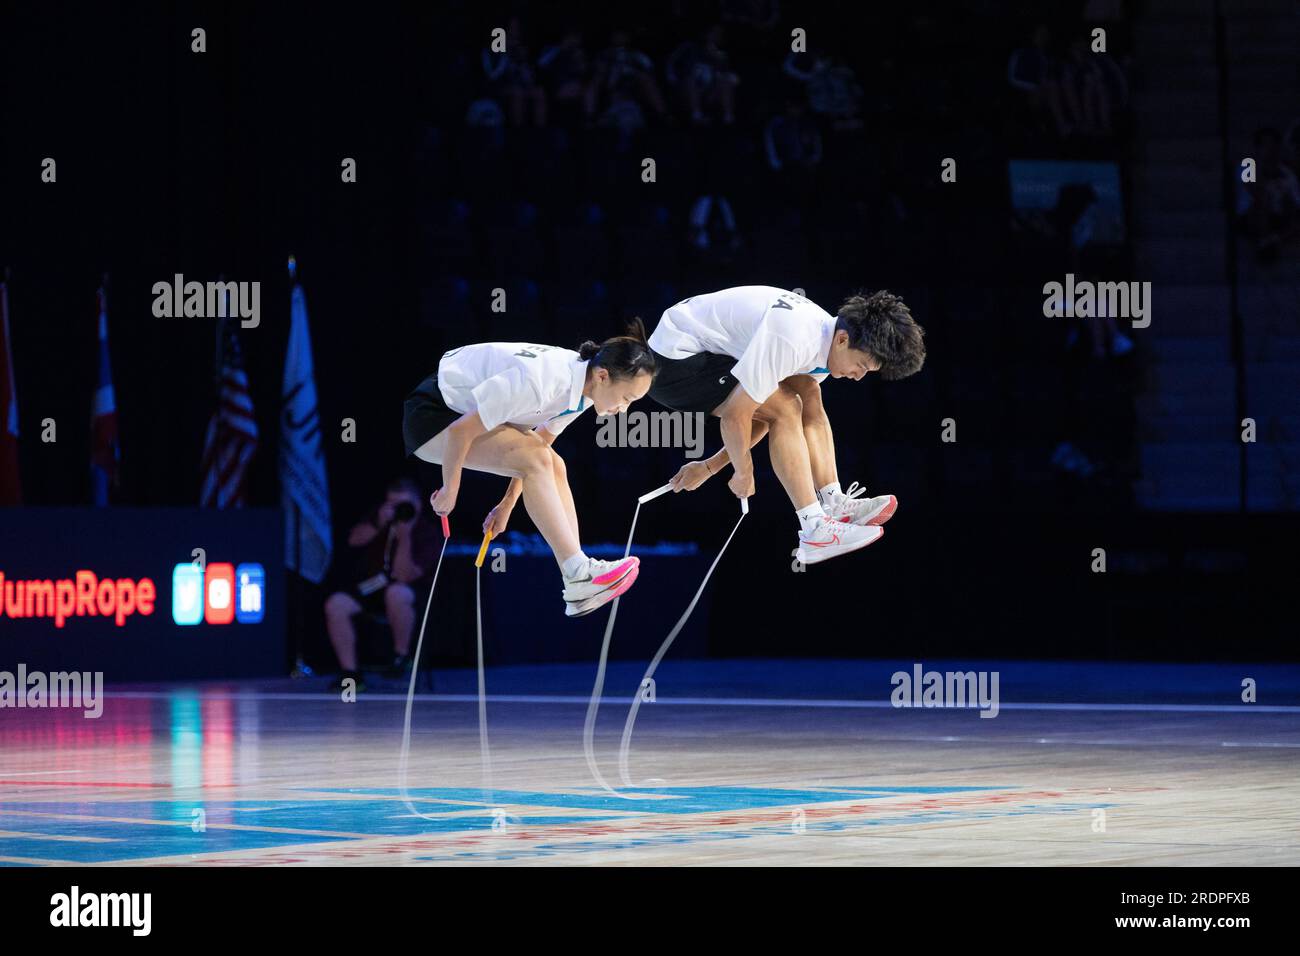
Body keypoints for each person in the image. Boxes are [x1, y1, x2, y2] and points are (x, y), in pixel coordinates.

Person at [646, 286, 925, 565]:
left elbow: (762, 415)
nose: (858, 377)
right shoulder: (794, 340)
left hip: (706, 351)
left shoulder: (822, 343)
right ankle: (814, 528)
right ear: (843, 340)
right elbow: (736, 416)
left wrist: (710, 466)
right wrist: (743, 472)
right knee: (788, 407)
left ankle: (834, 501)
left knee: (808, 398)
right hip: (671, 363)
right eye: (861, 365)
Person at [403, 321, 657, 617]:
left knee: (553, 462)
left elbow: (540, 446)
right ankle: (578, 573)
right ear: (603, 376)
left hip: (458, 416)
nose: (624, 410)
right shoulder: (543, 382)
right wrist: (450, 490)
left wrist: (507, 504)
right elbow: (461, 432)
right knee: (538, 459)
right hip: (432, 418)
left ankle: (577, 573)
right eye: (627, 399)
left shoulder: (583, 389)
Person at [324, 477, 440, 691]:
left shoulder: (428, 532)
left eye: (405, 505)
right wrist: (379, 522)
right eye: (394, 505)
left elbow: (403, 575)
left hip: (409, 594)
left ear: (419, 504)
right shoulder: (380, 519)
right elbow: (353, 540)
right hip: (373, 589)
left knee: (396, 593)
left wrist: (404, 536)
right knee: (336, 604)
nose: (399, 510)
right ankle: (351, 674)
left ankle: (401, 657)